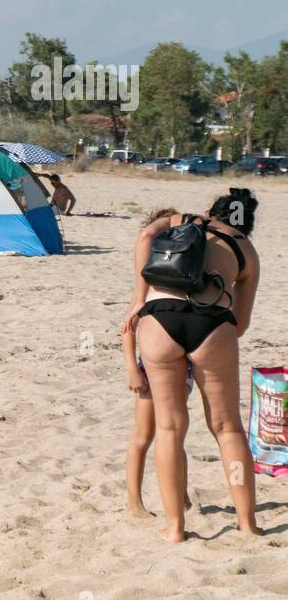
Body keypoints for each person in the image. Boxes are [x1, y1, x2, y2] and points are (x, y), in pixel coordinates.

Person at [123, 188, 261, 542]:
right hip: (213, 325)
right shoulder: (246, 249)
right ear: (246, 223)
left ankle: (174, 527)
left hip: (159, 319)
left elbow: (145, 235)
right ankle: (247, 524)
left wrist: (140, 296)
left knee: (169, 428)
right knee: (228, 428)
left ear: (210, 210)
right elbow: (240, 323)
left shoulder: (179, 220)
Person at [123, 207, 195, 518]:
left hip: (182, 367)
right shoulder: (147, 286)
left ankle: (182, 495)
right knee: (144, 435)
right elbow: (127, 327)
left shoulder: (184, 283)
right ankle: (134, 502)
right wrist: (131, 368)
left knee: (174, 432)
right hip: (148, 369)